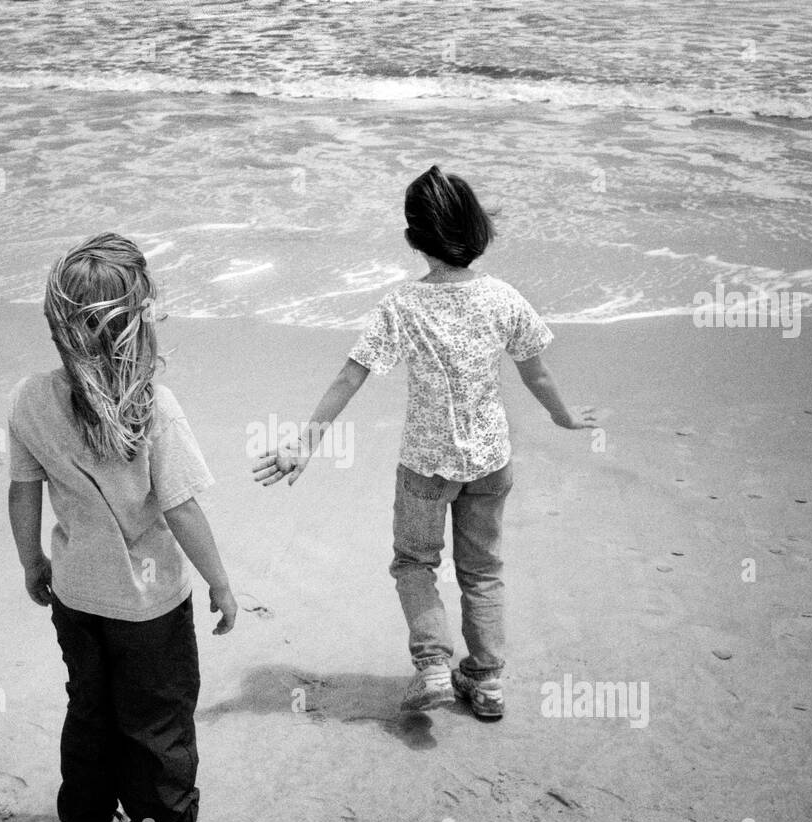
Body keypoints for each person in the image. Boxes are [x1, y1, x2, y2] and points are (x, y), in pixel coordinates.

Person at [254, 166, 596, 720]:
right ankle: (486, 683)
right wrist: (562, 417)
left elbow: (350, 377)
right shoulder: (504, 298)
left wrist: (306, 442)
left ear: (414, 238)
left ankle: (435, 666)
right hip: (490, 462)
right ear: (476, 228)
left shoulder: (402, 305)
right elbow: (537, 374)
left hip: (426, 467)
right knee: (482, 570)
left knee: (415, 564)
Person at [7, 232, 237, 822]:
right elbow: (182, 508)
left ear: (59, 324)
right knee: (157, 725)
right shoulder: (154, 408)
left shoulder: (31, 399)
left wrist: (31, 561)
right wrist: (221, 583)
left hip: (76, 597)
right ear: (139, 323)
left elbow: (23, 491)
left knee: (90, 709)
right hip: (151, 607)